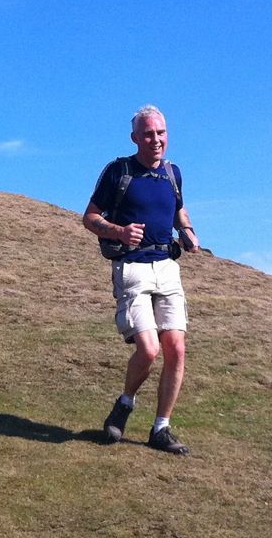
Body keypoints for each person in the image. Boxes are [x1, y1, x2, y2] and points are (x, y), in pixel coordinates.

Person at [83, 105, 200, 454]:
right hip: (132, 267)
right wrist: (119, 231)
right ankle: (125, 403)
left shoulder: (172, 173)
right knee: (148, 350)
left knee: (176, 348)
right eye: (148, 134)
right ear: (135, 138)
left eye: (161, 133)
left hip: (167, 266)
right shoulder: (118, 171)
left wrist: (189, 232)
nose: (156, 140)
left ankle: (161, 428)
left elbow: (178, 208)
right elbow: (89, 218)